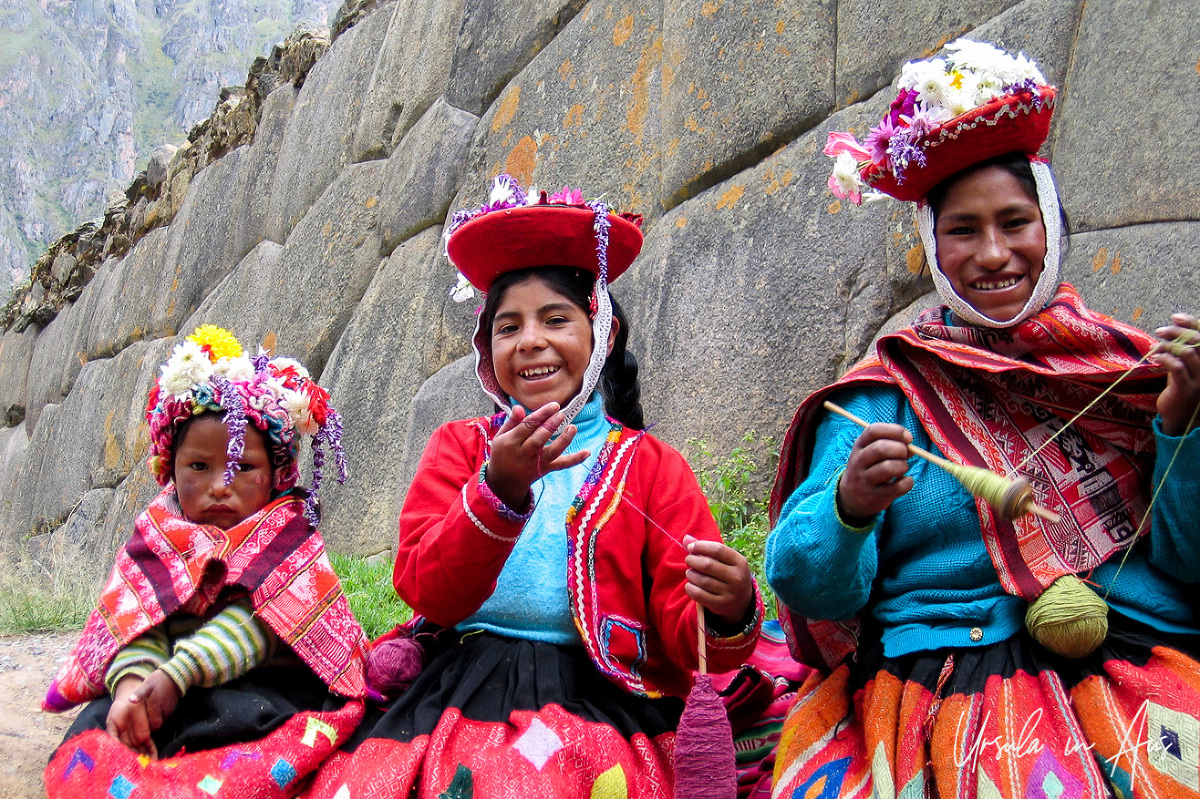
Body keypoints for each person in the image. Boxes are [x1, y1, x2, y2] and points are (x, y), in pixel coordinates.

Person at [766, 40, 1200, 798]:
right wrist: (850, 506)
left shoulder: (1124, 370)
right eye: (963, 230)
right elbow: (806, 584)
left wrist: (1180, 427)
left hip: (1121, 653)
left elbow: (1188, 562)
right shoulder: (886, 389)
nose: (994, 253)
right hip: (935, 685)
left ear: (1051, 229)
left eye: (1015, 223)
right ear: (933, 247)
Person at [304, 178, 763, 799]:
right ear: (485, 350)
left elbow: (684, 633)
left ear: (602, 334)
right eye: (507, 326)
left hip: (597, 702)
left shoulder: (651, 468)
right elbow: (424, 587)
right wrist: (498, 488)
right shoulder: (461, 449)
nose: (530, 342)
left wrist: (726, 606)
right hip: (460, 684)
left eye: (556, 319)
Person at [44, 326, 369, 798]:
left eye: (243, 466)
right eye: (200, 467)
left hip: (256, 686)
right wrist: (134, 690)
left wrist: (178, 675)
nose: (221, 484)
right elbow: (137, 625)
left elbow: (262, 623)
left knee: (260, 730)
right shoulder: (155, 535)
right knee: (99, 732)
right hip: (162, 688)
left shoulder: (287, 537)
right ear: (170, 471)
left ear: (277, 474)